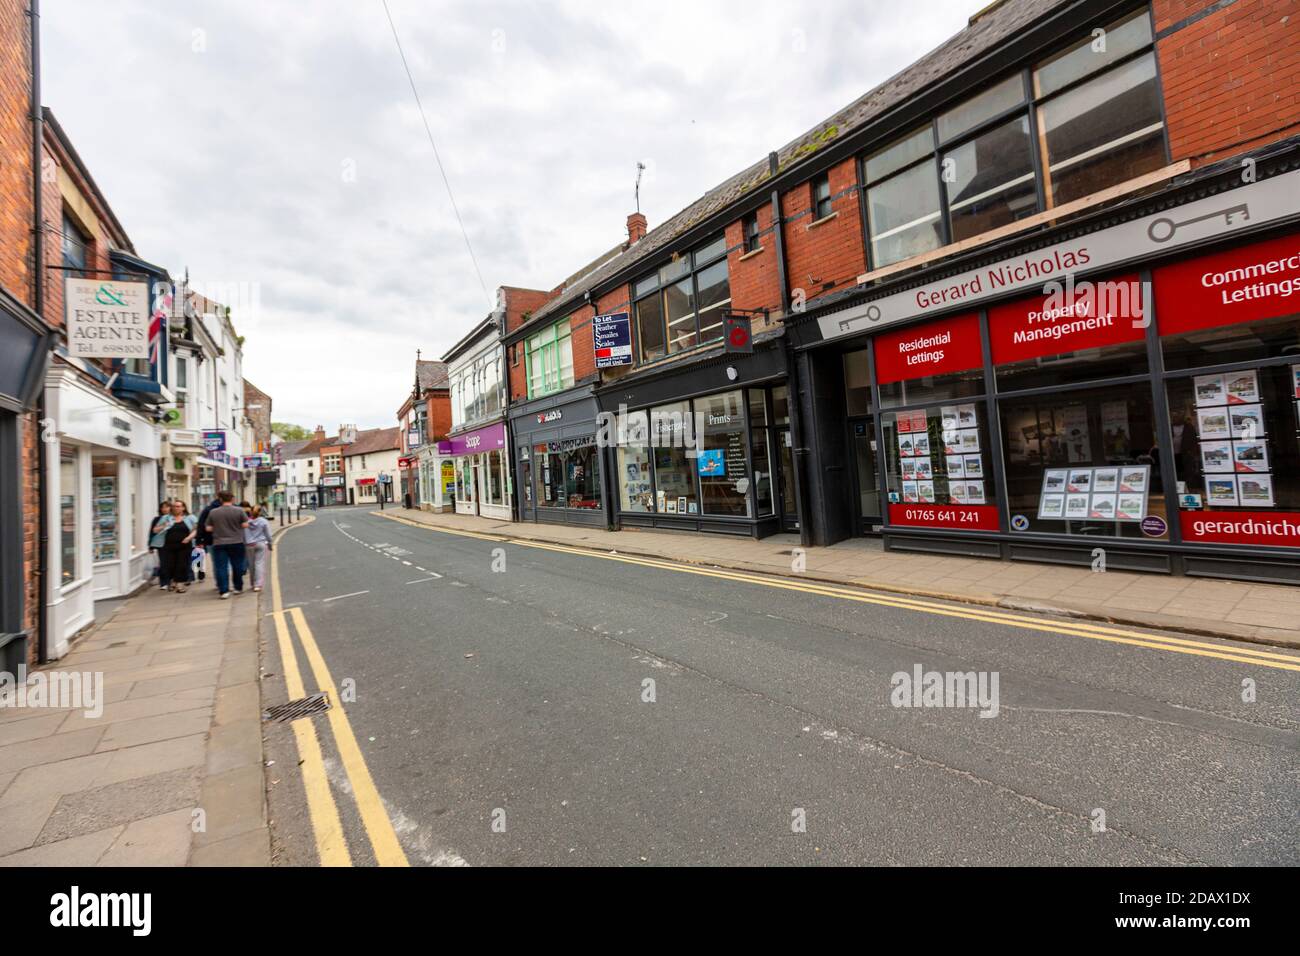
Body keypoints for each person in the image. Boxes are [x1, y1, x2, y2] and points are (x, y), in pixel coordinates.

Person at [205, 491, 250, 599]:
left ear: (220, 499)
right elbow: (245, 525)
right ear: (232, 499)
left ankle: (224, 591)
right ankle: (238, 588)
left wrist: (218, 527)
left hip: (219, 543)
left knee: (221, 567)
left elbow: (208, 528)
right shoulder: (239, 510)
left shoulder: (213, 512)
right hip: (237, 542)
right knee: (237, 566)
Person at [158, 500, 198, 593]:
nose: (176, 508)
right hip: (168, 546)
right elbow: (155, 530)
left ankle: (180, 585)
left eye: (179, 506)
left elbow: (196, 529)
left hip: (184, 545)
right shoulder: (166, 518)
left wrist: (189, 538)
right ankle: (172, 581)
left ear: (183, 507)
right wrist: (164, 526)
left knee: (182, 564)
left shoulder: (190, 517)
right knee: (170, 565)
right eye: (175, 506)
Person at [244, 504, 273, 593]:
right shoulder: (264, 521)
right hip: (260, 544)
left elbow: (243, 534)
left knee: (251, 565)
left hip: (249, 545)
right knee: (259, 564)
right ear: (260, 512)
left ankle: (253, 584)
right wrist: (270, 544)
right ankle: (257, 585)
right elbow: (268, 535)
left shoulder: (246, 522)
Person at [194, 494, 221, 585]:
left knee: (216, 562)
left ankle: (219, 583)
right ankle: (222, 583)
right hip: (227, 540)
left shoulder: (207, 509)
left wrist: (199, 540)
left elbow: (200, 525)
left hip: (210, 539)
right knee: (224, 564)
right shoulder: (233, 509)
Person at [149, 501, 173, 590]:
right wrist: (150, 545)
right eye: (163, 507)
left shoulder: (173, 518)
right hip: (160, 544)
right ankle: (164, 582)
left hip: (172, 543)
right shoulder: (156, 519)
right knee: (163, 563)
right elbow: (152, 532)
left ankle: (171, 580)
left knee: (171, 563)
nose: (164, 509)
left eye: (167, 507)